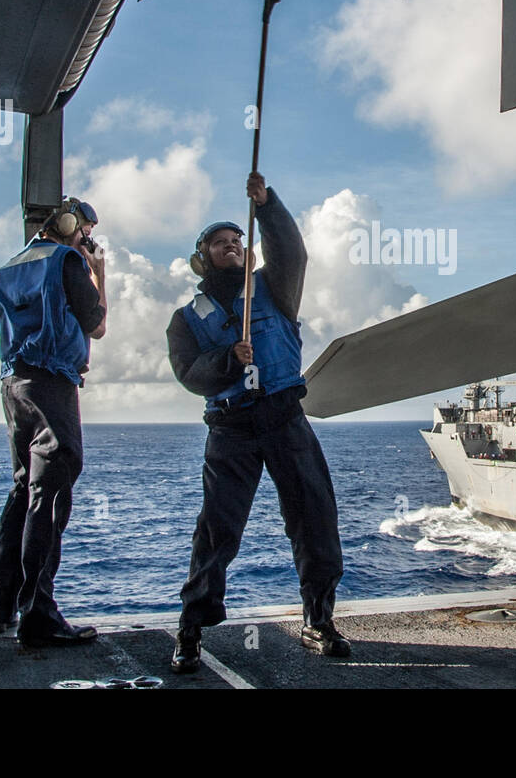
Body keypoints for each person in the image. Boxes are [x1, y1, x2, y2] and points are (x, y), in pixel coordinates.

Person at [166, 172, 347, 673]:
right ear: (201, 258)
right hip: (230, 429)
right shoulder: (186, 318)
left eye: (238, 240)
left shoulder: (276, 286)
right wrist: (228, 359)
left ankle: (319, 620)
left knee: (314, 518)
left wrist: (268, 206)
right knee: (218, 530)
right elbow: (189, 374)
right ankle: (191, 630)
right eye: (220, 243)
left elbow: (292, 252)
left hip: (285, 417)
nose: (233, 246)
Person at [0, 197, 108, 647]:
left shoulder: (11, 268)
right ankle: (38, 614)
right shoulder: (67, 260)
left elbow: (42, 320)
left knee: (23, 489)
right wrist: (99, 273)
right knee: (50, 492)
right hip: (52, 386)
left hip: (15, 386)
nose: (86, 239)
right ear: (71, 225)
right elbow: (95, 323)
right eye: (85, 230)